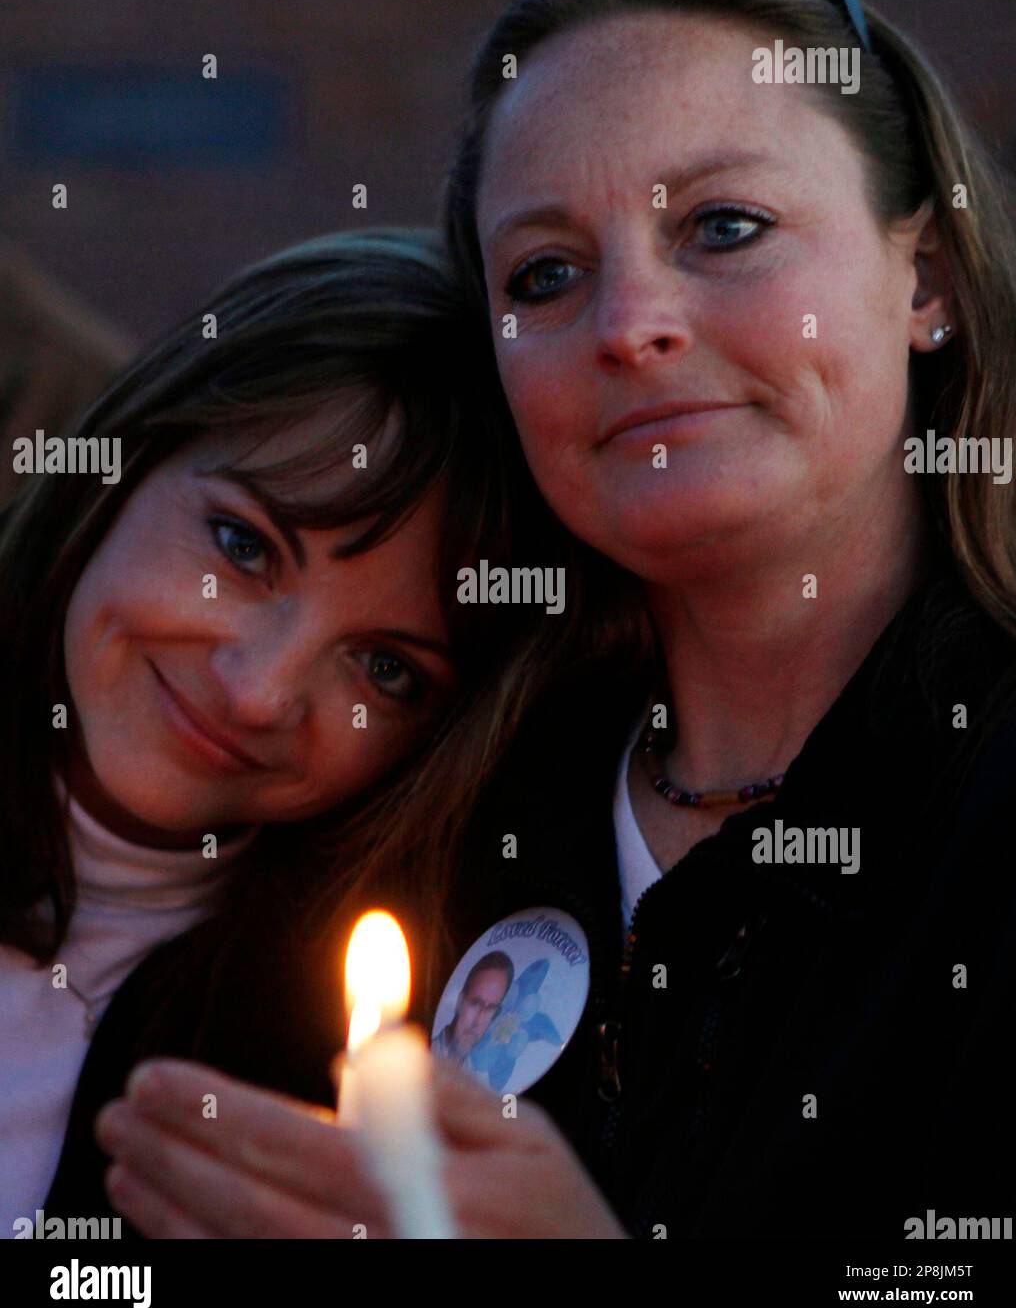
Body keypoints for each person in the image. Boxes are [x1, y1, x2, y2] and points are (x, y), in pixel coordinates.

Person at [94, 0, 1016, 1239]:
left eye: (722, 227)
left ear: (919, 276)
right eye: (543, 272)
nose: (626, 321)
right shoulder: (415, 785)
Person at [1, 226, 585, 1240]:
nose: (261, 690)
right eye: (243, 547)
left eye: (386, 666)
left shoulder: (342, 1065)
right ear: (128, 456)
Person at [432, 952, 514, 1063]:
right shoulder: (423, 1057)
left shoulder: (474, 1073)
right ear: (460, 1001)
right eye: (475, 1003)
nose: (478, 1021)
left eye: (490, 1008)